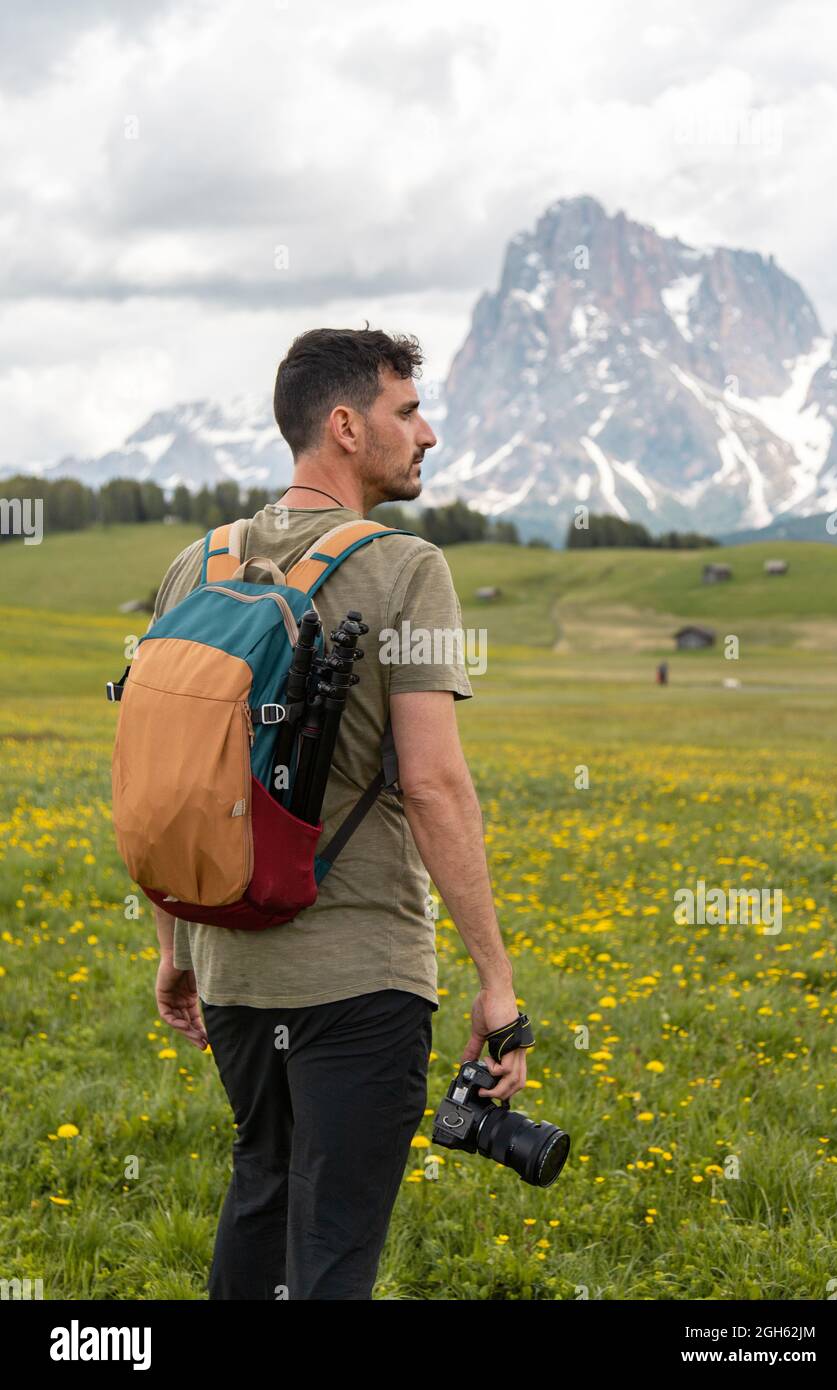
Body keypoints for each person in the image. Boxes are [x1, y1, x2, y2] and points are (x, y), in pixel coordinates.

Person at [147, 326, 529, 1300]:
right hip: (360, 974)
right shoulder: (404, 569)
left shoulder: (198, 565)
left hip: (233, 964)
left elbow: (164, 772)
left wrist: (175, 950)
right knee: (333, 1246)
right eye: (407, 412)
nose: (427, 433)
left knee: (261, 1197)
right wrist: (496, 981)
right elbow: (436, 784)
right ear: (347, 425)